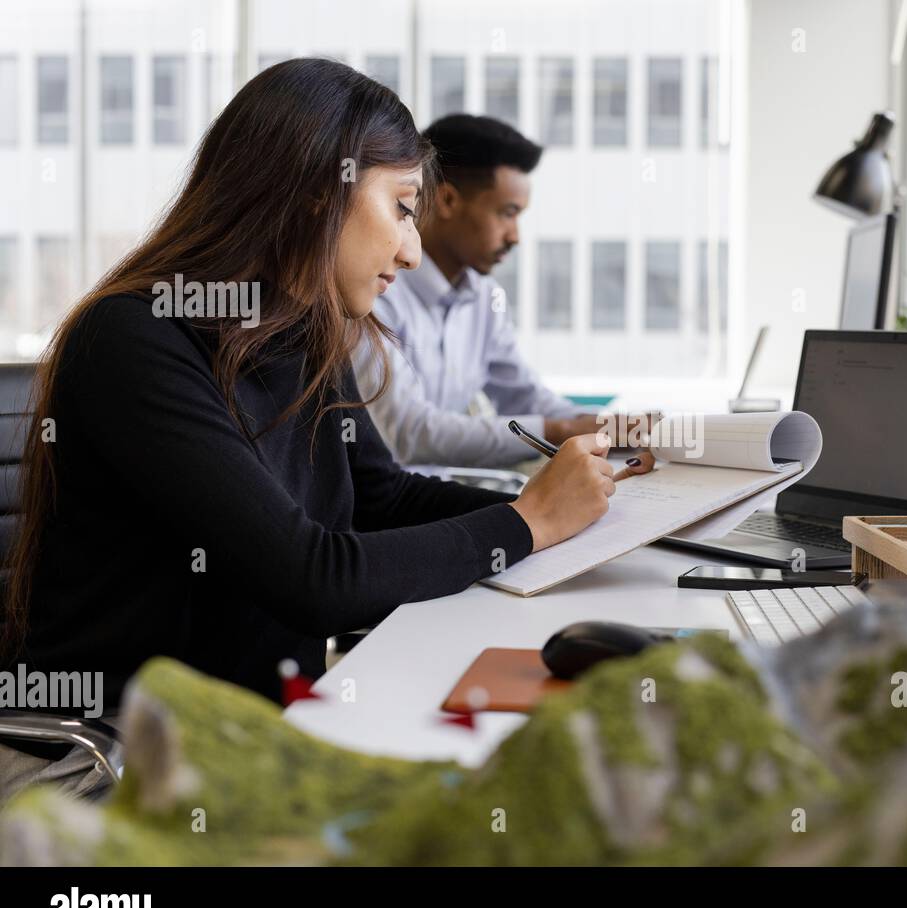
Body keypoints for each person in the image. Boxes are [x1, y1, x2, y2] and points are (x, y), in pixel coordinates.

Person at [0, 59, 647, 800]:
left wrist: (592, 517)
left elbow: (383, 498)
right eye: (403, 207)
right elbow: (311, 577)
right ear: (317, 192)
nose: (411, 247)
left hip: (248, 731)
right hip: (108, 753)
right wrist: (526, 521)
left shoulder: (302, 336)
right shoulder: (136, 340)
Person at [353, 114, 611, 469]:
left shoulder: (483, 298)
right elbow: (407, 431)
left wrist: (610, 427)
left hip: (435, 496)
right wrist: (560, 430)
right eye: (507, 213)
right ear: (447, 201)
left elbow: (526, 397)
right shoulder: (373, 293)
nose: (515, 235)